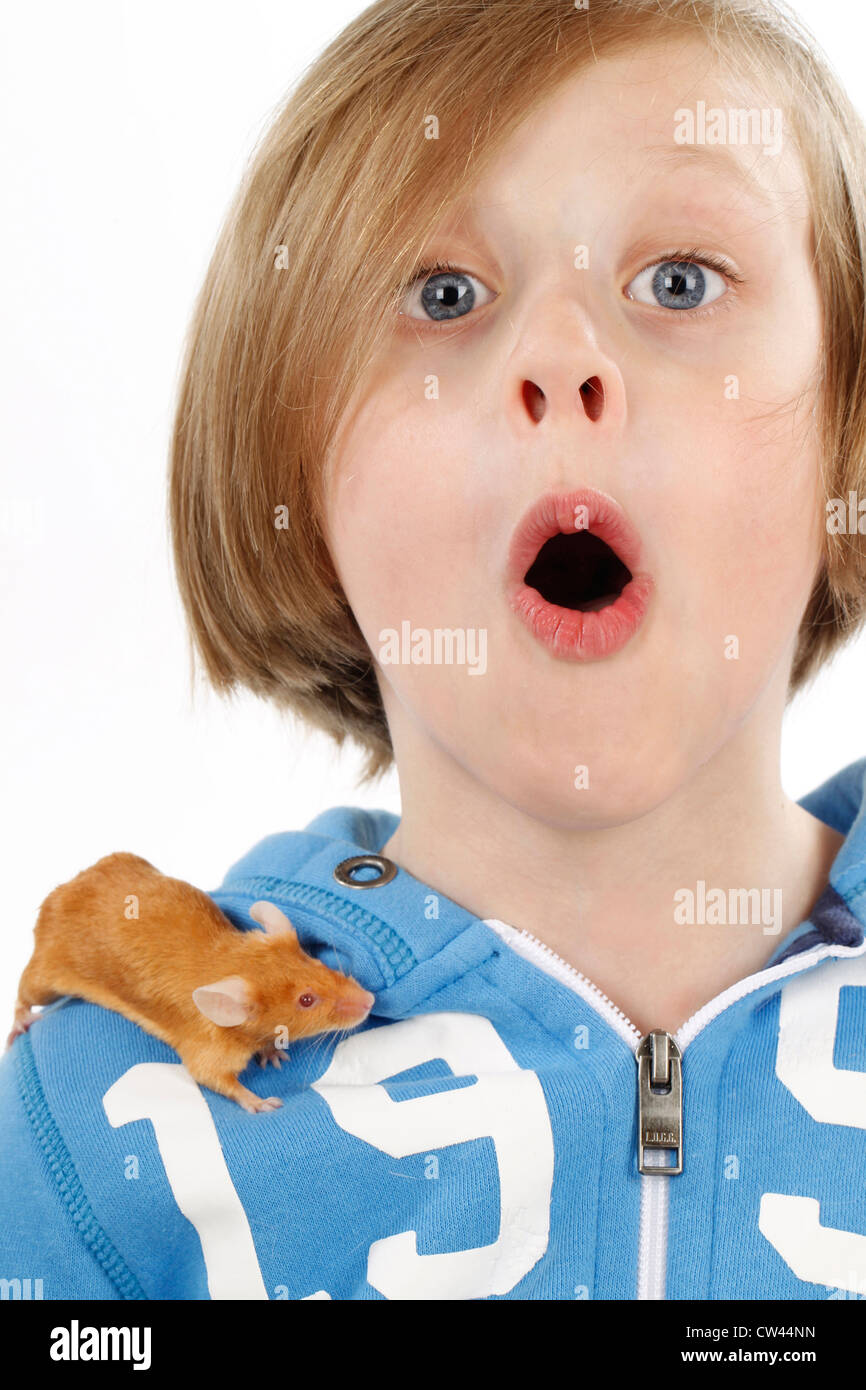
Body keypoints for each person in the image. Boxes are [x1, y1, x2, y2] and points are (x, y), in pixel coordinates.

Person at [3, 0, 866, 1301]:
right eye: (443, 293)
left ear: (843, 443)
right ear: (292, 460)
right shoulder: (93, 1130)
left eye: (678, 281)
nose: (564, 357)